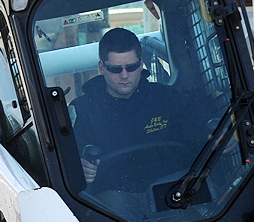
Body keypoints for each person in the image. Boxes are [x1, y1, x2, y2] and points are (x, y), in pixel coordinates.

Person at [72, 26, 177, 183]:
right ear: (102, 68)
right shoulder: (82, 111)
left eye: (131, 67)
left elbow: (200, 129)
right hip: (107, 203)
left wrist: (221, 138)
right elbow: (68, 160)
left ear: (141, 64)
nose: (124, 75)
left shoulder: (168, 98)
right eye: (115, 69)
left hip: (174, 190)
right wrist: (80, 167)